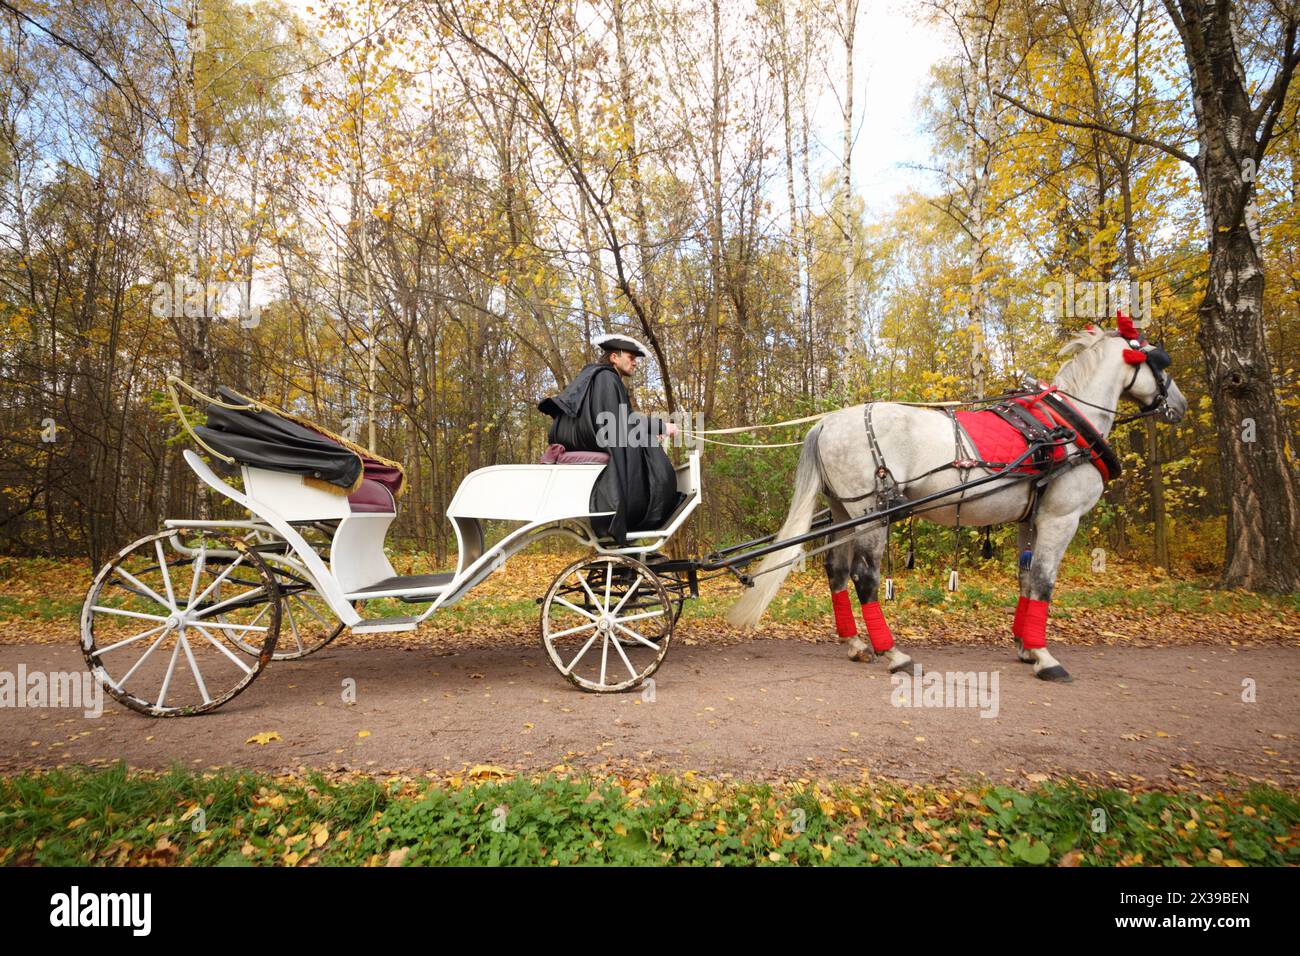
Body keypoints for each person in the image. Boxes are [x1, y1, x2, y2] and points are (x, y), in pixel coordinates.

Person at [538, 333, 682, 545]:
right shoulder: (607, 379)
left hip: (593, 440)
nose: (634, 363)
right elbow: (616, 423)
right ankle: (639, 512)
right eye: (631, 357)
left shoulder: (596, 377)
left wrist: (648, 431)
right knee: (658, 467)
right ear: (614, 357)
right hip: (597, 442)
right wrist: (661, 426)